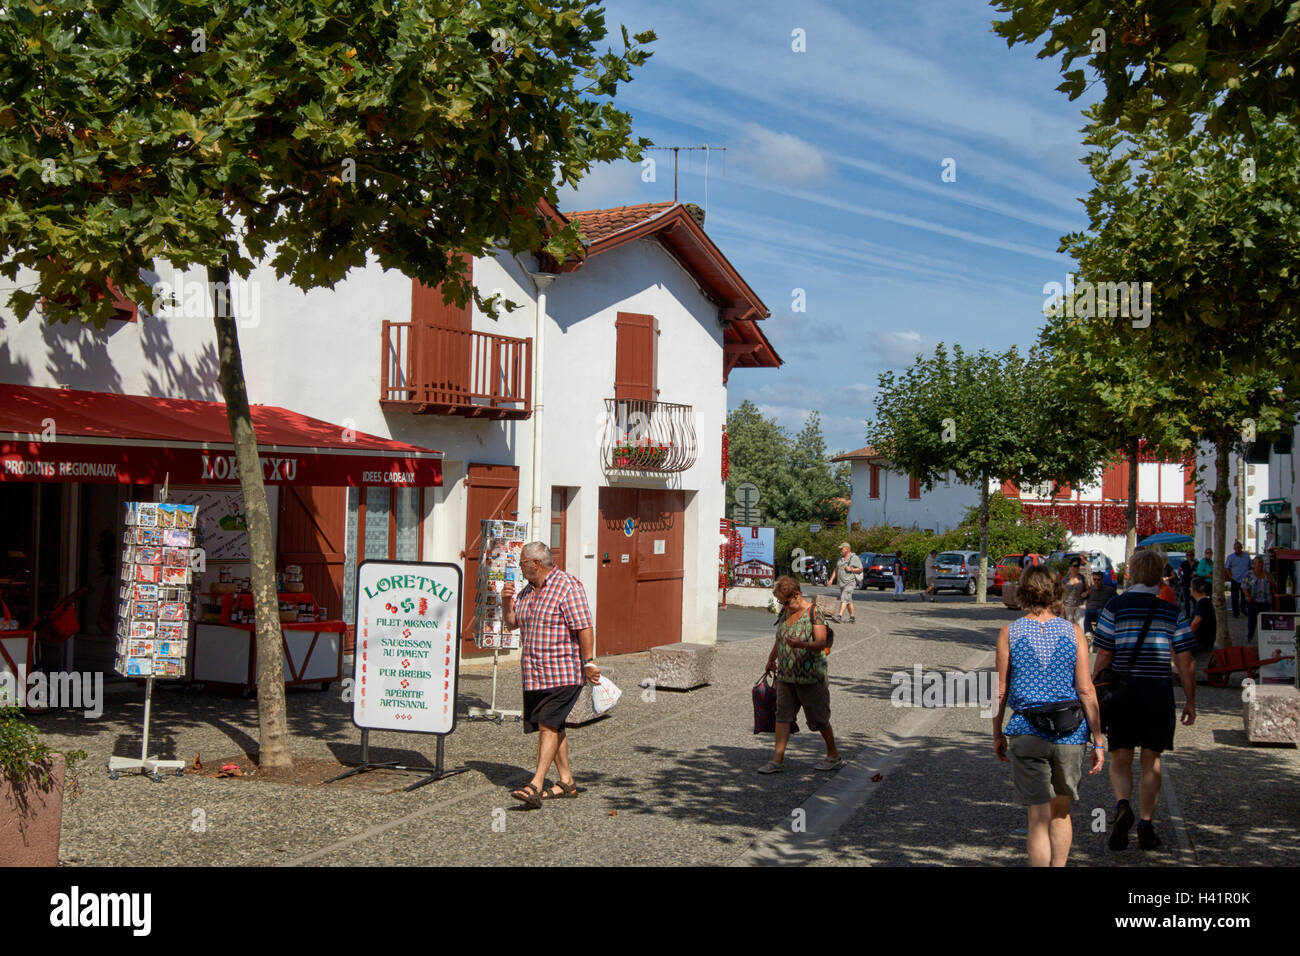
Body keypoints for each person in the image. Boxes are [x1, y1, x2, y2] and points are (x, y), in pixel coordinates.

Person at [993, 565, 1105, 867]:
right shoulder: (1074, 632)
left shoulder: (1009, 633)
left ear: (1023, 592)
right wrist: (1098, 738)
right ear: (1055, 592)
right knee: (1061, 812)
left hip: (1027, 730)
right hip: (1070, 732)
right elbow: (1086, 689)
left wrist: (996, 733)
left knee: (1037, 818)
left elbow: (1000, 692)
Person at [1092, 548, 1196, 852]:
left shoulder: (1116, 606)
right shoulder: (1171, 611)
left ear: (1132, 573)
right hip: (1157, 692)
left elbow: (1104, 654)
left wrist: (1095, 692)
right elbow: (1185, 659)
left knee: (1120, 756)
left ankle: (1123, 805)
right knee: (1152, 760)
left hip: (1122, 692)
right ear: (1159, 576)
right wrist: (1190, 700)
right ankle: (1146, 825)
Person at [502, 542, 600, 808]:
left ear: (535, 563)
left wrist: (588, 662)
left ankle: (535, 784)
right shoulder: (525, 593)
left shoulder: (568, 586)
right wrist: (505, 601)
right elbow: (512, 623)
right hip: (535, 674)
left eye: (522, 563)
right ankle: (566, 781)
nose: (519, 568)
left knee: (547, 723)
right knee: (554, 726)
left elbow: (584, 627)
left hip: (564, 672)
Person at [760, 576, 842, 773]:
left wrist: (801, 645)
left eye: (786, 601)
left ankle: (833, 754)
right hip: (786, 675)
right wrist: (771, 660)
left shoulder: (815, 612)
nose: (784, 605)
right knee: (782, 716)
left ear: (797, 595)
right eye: (781, 602)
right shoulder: (785, 611)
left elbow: (821, 642)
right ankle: (777, 760)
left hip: (811, 677)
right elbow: (779, 639)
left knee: (819, 719)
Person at [830, 542, 862, 623]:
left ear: (847, 549)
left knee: (844, 598)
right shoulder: (840, 557)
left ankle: (839, 616)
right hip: (842, 583)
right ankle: (852, 617)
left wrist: (851, 569)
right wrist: (831, 579)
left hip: (850, 582)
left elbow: (861, 569)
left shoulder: (854, 558)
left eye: (842, 549)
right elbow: (836, 569)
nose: (840, 550)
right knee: (848, 600)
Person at [1245, 556, 1274, 644]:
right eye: (1258, 564)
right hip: (1254, 601)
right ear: (1254, 565)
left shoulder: (1267, 574)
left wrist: (1271, 581)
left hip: (1265, 601)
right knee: (1252, 621)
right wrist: (1248, 596)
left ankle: (1266, 637)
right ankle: (1250, 636)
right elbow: (1244, 586)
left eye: (1261, 564)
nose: (1260, 566)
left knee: (1266, 620)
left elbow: (1274, 584)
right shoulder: (1249, 574)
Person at [1084, 570, 1116, 636]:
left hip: (1101, 610)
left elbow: (1117, 598)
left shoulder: (1108, 589)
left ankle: (1099, 633)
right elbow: (1083, 596)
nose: (1096, 582)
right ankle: (1088, 634)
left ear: (1102, 580)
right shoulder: (1090, 589)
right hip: (1090, 610)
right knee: (1087, 612)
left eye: (1098, 580)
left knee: (1100, 611)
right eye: (1094, 579)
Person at [1188, 577, 1216, 652]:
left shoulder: (1203, 603)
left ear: (1194, 590)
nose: (1190, 589)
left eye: (1191, 587)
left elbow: (1196, 622)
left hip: (1201, 642)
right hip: (1203, 640)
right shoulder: (1204, 602)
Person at [1225, 541, 1252, 618]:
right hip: (1235, 579)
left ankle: (1244, 610)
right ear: (1234, 549)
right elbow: (1227, 568)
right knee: (1234, 596)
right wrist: (1230, 576)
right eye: (1235, 548)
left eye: (1238, 547)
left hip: (1245, 579)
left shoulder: (1246, 556)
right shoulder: (1231, 557)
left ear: (1241, 548)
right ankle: (1235, 612)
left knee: (1244, 596)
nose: (1237, 549)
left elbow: (1250, 566)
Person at [1061, 558, 1089, 628]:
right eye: (1071, 566)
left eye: (1076, 566)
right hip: (1068, 605)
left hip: (1080, 605)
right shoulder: (1065, 579)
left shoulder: (1082, 578)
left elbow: (1088, 589)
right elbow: (1062, 594)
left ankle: (1080, 638)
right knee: (1069, 626)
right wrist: (1062, 606)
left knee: (1080, 624)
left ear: (1079, 567)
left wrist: (1085, 593)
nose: (1073, 568)